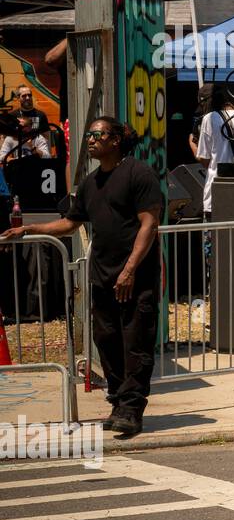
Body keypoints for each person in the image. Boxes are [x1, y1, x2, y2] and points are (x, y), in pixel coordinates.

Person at [3, 118, 161, 439]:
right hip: (103, 278)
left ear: (115, 140)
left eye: (97, 134)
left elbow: (149, 224)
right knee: (107, 342)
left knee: (135, 344)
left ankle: (132, 409)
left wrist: (130, 269)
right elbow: (69, 223)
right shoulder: (91, 183)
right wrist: (28, 228)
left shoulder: (138, 174)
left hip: (136, 277)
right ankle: (118, 403)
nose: (90, 140)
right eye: (88, 135)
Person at [193, 85, 234, 217]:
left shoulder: (210, 118)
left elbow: (205, 160)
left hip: (217, 192)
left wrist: (192, 143)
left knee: (214, 235)